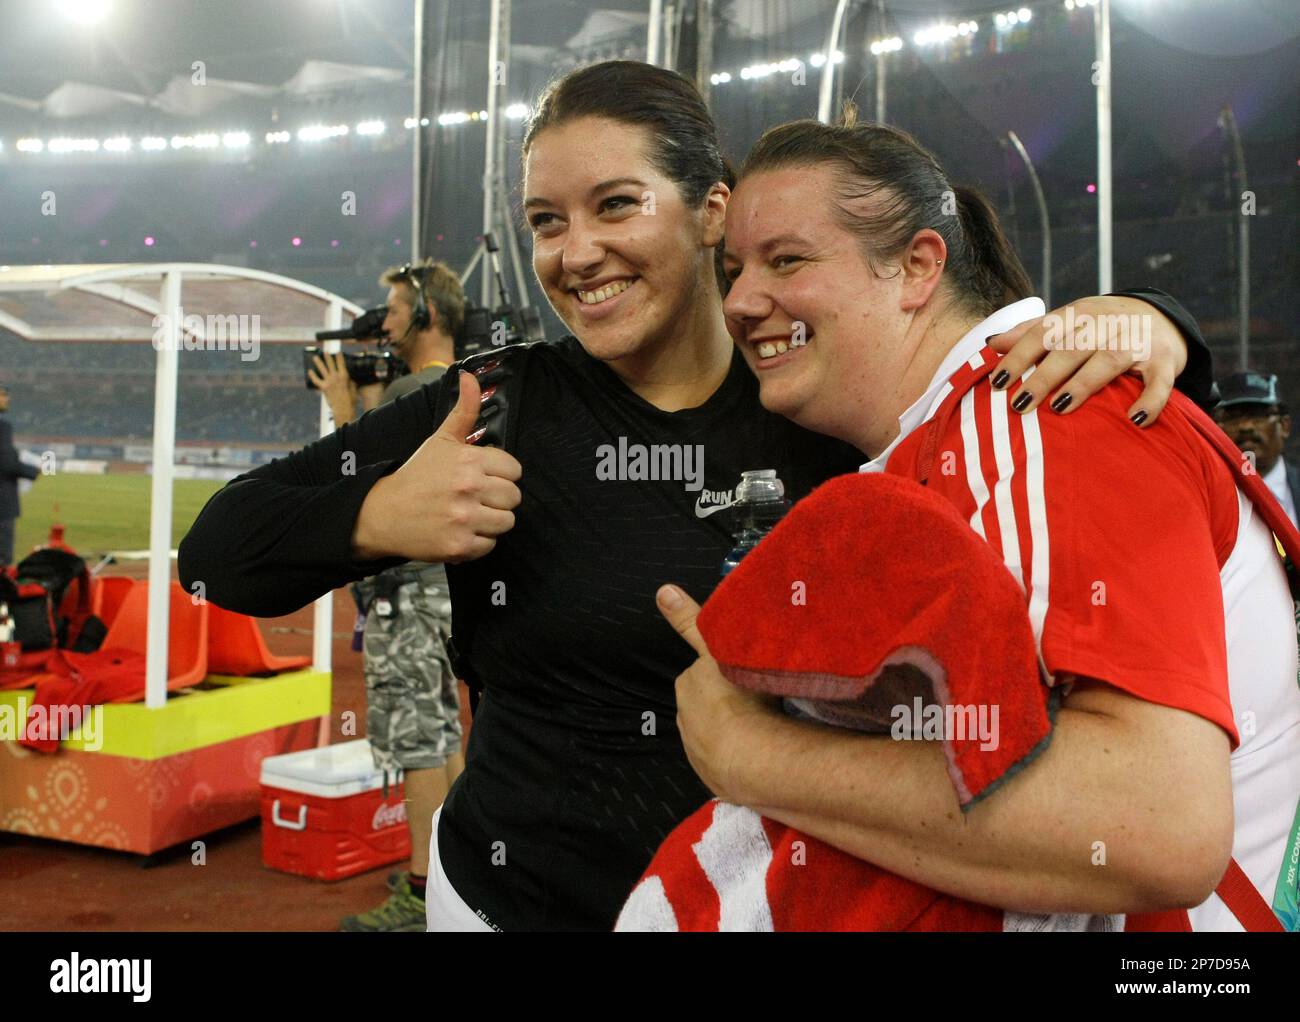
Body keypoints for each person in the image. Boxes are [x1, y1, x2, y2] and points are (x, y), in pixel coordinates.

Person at [179, 61, 1215, 932]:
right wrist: (374, 516)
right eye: (545, 220)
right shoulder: (496, 401)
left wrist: (1146, 319)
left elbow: (1005, 392)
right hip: (507, 899)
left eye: (616, 203)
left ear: (711, 207)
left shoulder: (817, 393)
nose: (574, 251)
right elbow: (217, 550)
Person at [648, 111, 1300, 931]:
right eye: (733, 269)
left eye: (787, 259)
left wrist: (754, 756)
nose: (741, 300)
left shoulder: (1041, 410)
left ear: (919, 266)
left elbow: (1159, 831)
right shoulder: (954, 432)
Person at [308, 260, 467, 932]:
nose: (388, 323)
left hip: (406, 590)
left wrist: (347, 415)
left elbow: (364, 486)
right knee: (444, 731)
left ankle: (420, 894)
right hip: (446, 590)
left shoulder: (412, 391)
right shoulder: (458, 385)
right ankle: (458, 878)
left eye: (398, 309)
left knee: (416, 743)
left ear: (429, 313)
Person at [1214, 371, 1298, 529]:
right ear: (1216, 427)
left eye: (1258, 415)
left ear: (1285, 426)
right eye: (1233, 417)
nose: (1246, 426)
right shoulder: (1206, 496)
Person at [0, 385, 40, 567]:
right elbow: (6, 464)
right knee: (2, 558)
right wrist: (33, 471)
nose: (7, 398)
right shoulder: (3, 428)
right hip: (2, 503)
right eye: (3, 394)